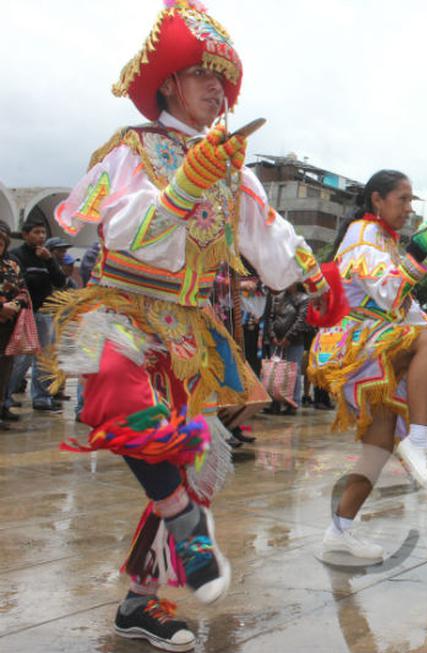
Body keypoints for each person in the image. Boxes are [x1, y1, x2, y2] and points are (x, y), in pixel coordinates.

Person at [46, 2, 344, 650]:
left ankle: (140, 600)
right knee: (123, 403)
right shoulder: (135, 147)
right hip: (116, 303)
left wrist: (314, 276)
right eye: (202, 74)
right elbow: (119, 226)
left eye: (223, 78)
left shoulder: (233, 167)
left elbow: (269, 240)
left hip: (186, 324)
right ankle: (184, 526)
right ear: (169, 83)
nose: (217, 88)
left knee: (198, 458)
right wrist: (182, 187)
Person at [308, 169, 427, 559]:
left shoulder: (384, 240)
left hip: (376, 342)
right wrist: (419, 253)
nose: (408, 208)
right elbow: (389, 294)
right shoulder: (363, 234)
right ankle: (420, 441)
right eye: (402, 199)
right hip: (354, 344)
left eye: (411, 201)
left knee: (378, 447)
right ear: (377, 199)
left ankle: (340, 529)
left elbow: (404, 306)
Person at [7, 210, 67, 412]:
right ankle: (6, 397)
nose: (41, 236)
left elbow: (60, 282)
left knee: (44, 357)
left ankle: (41, 398)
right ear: (25, 235)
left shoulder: (46, 257)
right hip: (26, 314)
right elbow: (19, 283)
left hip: (45, 313)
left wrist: (50, 261)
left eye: (43, 233)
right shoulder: (17, 256)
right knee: (21, 358)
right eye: (36, 232)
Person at [262, 284, 310, 415]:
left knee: (293, 371)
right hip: (276, 340)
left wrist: (289, 337)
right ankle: (274, 401)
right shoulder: (277, 297)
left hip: (294, 342)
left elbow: (301, 320)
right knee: (274, 371)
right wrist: (273, 337)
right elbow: (271, 317)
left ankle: (292, 402)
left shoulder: (304, 299)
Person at [0, 226, 29, 430]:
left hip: (6, 328)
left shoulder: (11, 265)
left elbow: (23, 291)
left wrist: (13, 305)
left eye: (1, 243)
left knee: (4, 370)